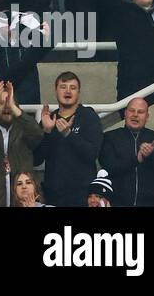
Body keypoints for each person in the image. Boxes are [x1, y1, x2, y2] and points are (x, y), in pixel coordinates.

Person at [33, 72, 104, 207]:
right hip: (54, 195)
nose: (68, 91)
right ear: (56, 91)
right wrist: (47, 131)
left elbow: (92, 154)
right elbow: (36, 160)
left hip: (82, 195)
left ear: (78, 92)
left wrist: (68, 134)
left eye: (73, 87)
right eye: (63, 86)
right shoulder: (48, 119)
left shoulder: (88, 116)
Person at [98, 97, 154, 207]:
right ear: (125, 113)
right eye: (132, 110)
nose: (135, 115)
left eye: (141, 112)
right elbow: (109, 167)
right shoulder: (110, 137)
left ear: (147, 117)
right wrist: (137, 158)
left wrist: (151, 155)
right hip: (117, 204)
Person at [0, 80, 43, 208]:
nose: (6, 107)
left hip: (23, 202)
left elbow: (37, 134)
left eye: (9, 102)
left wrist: (15, 108)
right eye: (1, 103)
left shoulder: (23, 128)